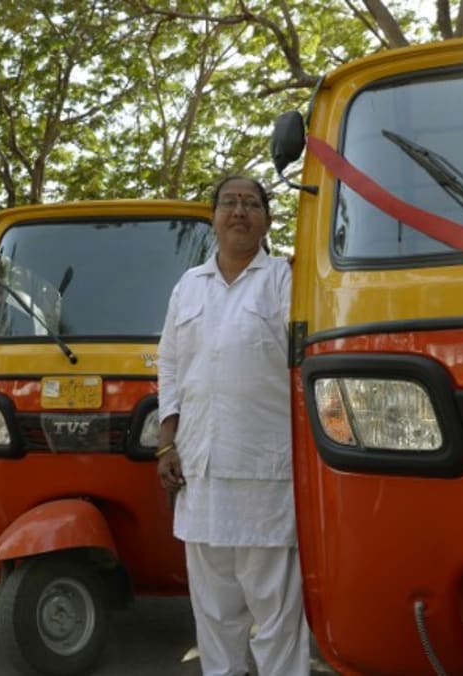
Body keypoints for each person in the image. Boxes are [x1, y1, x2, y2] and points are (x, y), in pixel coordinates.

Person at [157, 175, 310, 675]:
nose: (239, 211)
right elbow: (170, 366)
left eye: (250, 203)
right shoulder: (188, 285)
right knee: (215, 609)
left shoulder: (286, 280)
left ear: (266, 219)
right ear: (214, 217)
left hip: (265, 471)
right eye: (229, 202)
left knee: (275, 610)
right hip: (199, 468)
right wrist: (166, 443)